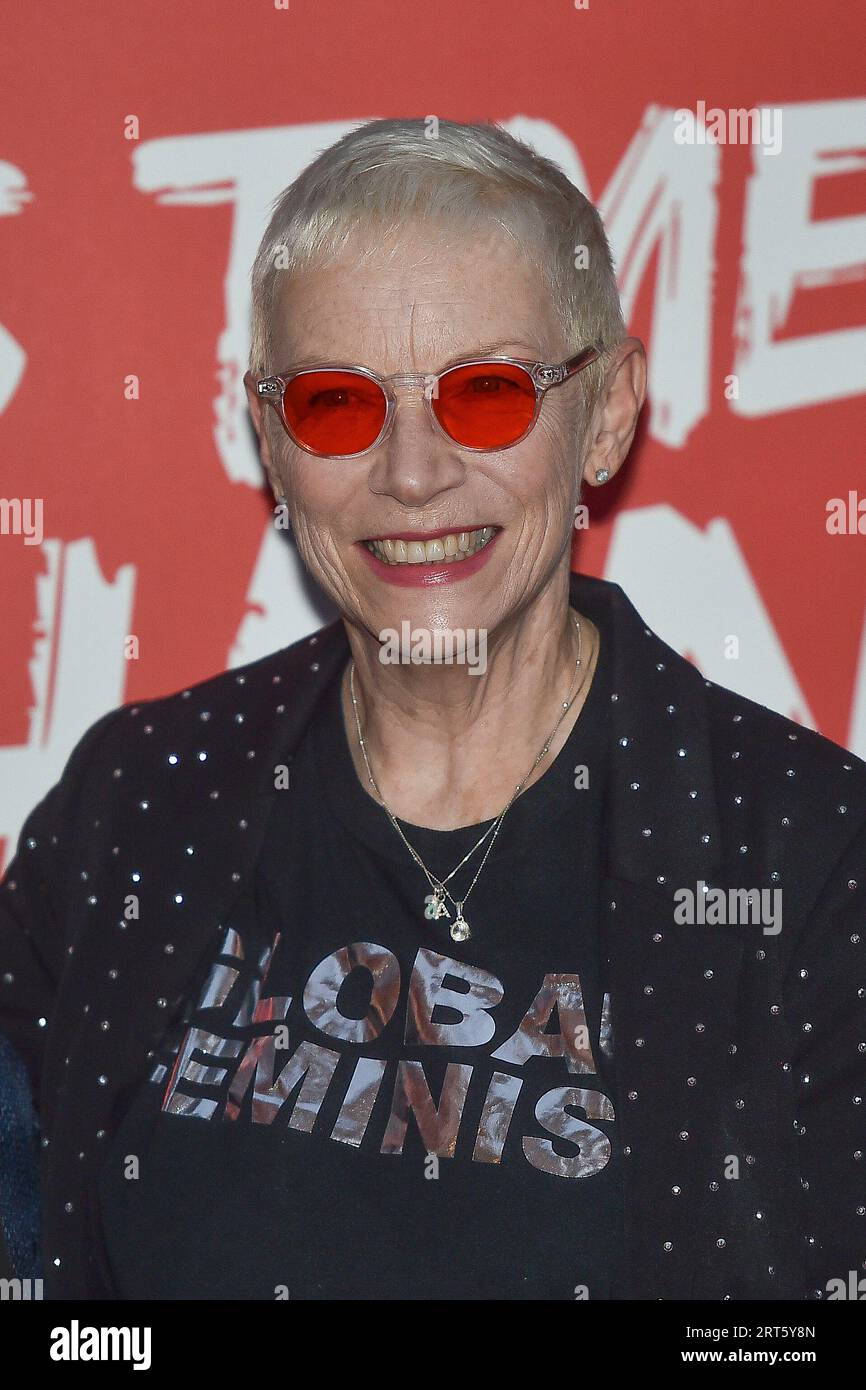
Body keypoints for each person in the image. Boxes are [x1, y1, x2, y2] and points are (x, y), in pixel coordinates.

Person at [1, 116, 863, 1301]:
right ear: (271, 437)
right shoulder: (142, 797)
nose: (411, 473)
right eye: (339, 404)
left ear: (605, 410)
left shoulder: (811, 861)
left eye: (488, 392)